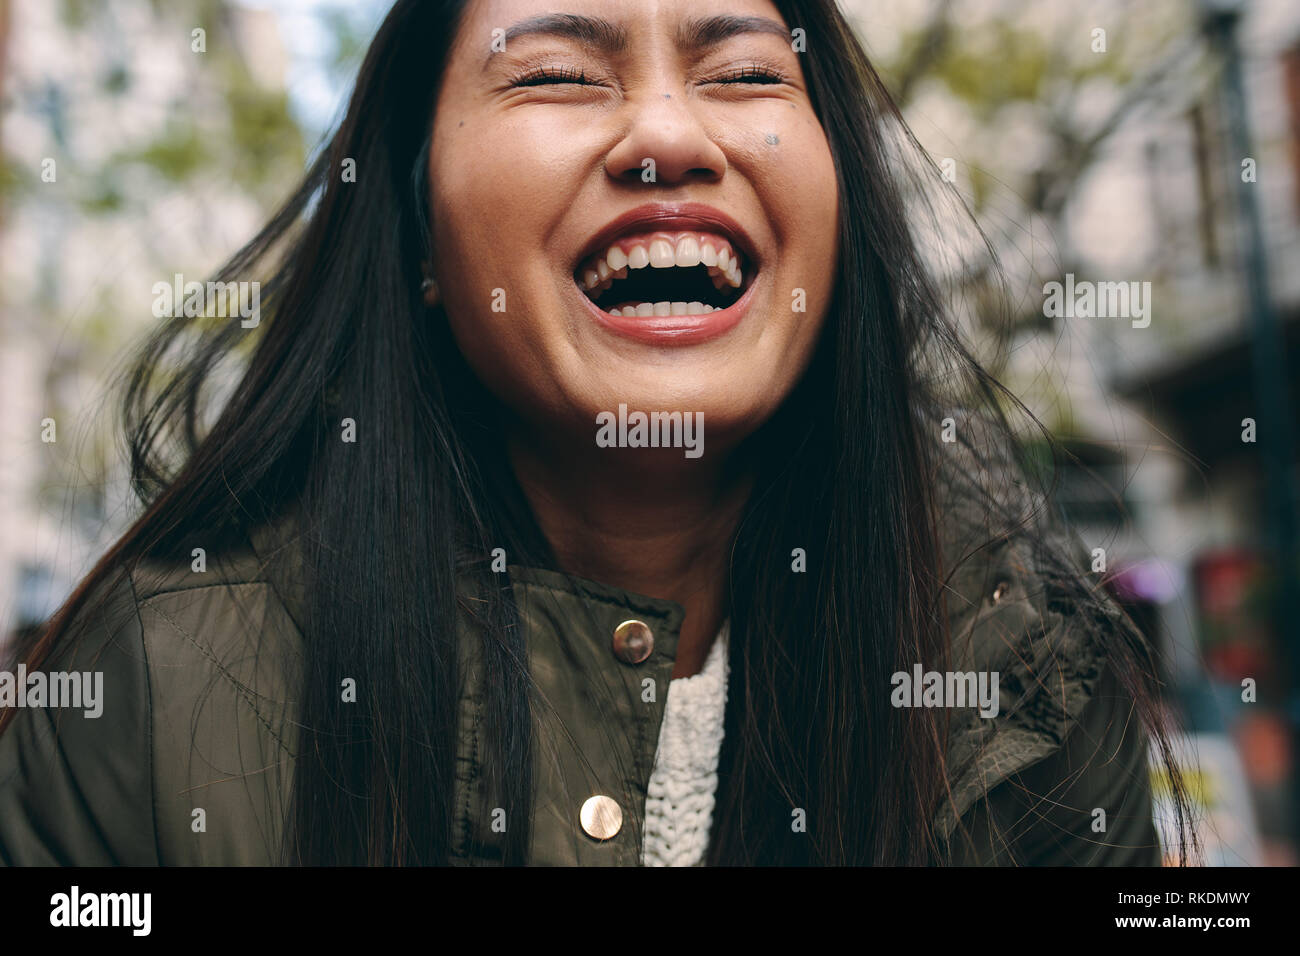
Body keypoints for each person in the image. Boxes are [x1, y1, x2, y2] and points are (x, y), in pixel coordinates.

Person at [0, 0, 1189, 866]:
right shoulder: (153, 699)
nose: (668, 134)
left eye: (743, 72)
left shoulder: (1025, 677)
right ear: (417, 229)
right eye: (559, 75)